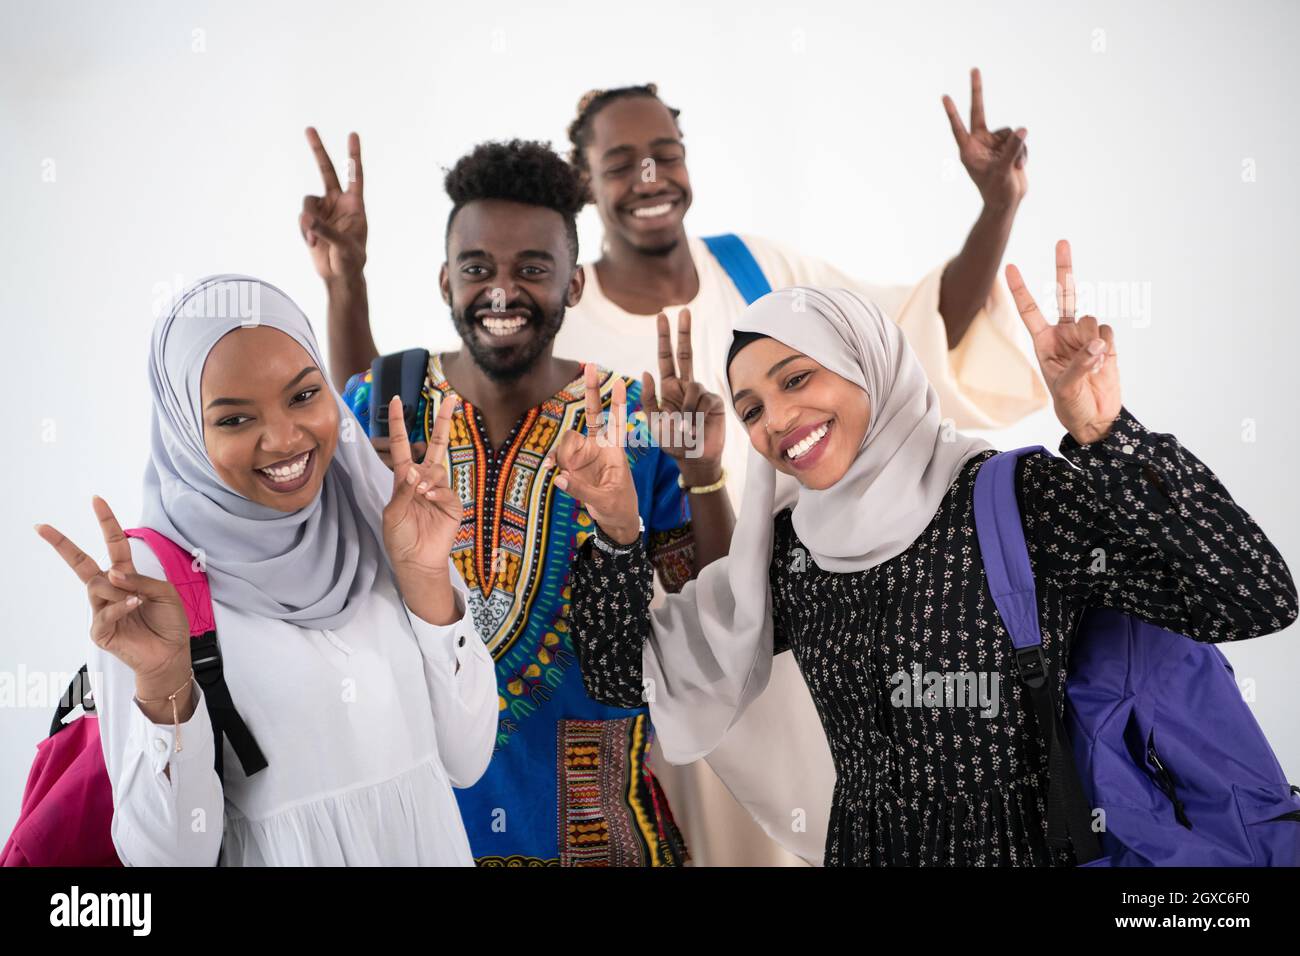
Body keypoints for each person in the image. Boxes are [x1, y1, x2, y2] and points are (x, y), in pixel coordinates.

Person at [561, 241, 1299, 865]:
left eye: (796, 378)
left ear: (868, 364)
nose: (778, 418)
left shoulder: (1015, 498)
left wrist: (1109, 435)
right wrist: (617, 529)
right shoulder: (797, 552)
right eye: (751, 407)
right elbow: (628, 677)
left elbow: (1252, 597)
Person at [338, 140, 734, 865]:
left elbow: (720, 614)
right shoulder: (382, 401)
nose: (501, 290)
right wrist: (343, 282)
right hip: (420, 833)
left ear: (575, 285)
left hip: (599, 835)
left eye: (533, 269)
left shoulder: (634, 419)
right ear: (444, 279)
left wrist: (705, 472)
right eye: (478, 268)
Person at [34, 276, 497, 866]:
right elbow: (171, 858)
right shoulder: (150, 582)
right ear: (185, 432)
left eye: (304, 396)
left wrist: (426, 577)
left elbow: (467, 760)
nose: (283, 439)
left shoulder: (381, 518)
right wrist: (161, 682)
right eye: (233, 420)